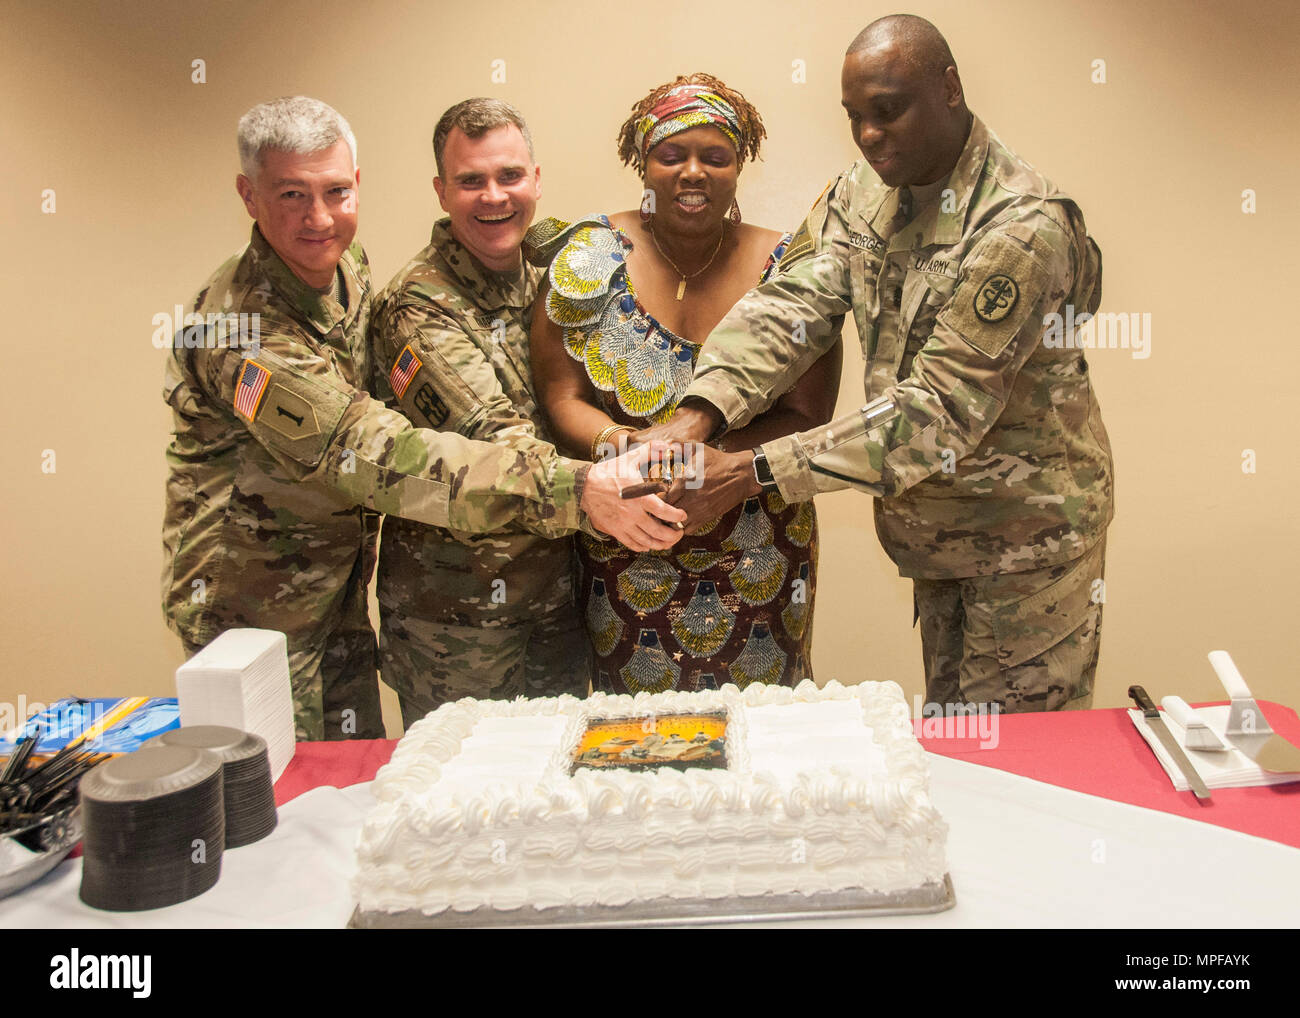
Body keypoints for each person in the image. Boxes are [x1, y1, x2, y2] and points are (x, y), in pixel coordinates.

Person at [162, 96, 684, 742]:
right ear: (249, 195)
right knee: (268, 814)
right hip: (256, 620)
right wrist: (580, 486)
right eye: (292, 194)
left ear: (357, 185)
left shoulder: (344, 270)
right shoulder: (241, 333)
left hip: (341, 598)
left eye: (333, 191)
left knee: (349, 801)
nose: (319, 218)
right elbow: (368, 452)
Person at [643, 17, 1113, 713]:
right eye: (855, 117)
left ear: (949, 89)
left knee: (1019, 775)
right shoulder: (860, 193)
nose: (868, 135)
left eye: (887, 112)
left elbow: (938, 411)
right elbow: (789, 308)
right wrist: (694, 417)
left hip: (1028, 550)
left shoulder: (1018, 223)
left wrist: (749, 474)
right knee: (958, 750)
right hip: (939, 542)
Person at [528, 74, 842, 694]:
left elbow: (809, 415)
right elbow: (561, 398)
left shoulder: (790, 266)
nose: (692, 172)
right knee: (632, 744)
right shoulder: (589, 257)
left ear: (738, 165)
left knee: (759, 740)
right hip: (624, 533)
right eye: (671, 154)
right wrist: (629, 448)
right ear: (643, 162)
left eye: (714, 157)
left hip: (759, 542)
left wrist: (717, 464)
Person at [368, 99, 589, 729]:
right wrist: (624, 481)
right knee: (461, 804)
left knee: (556, 796)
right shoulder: (417, 303)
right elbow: (498, 441)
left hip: (556, 601)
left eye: (510, 176)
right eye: (471, 181)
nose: (494, 196)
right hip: (459, 624)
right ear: (441, 191)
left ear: (537, 180)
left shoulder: (555, 280)